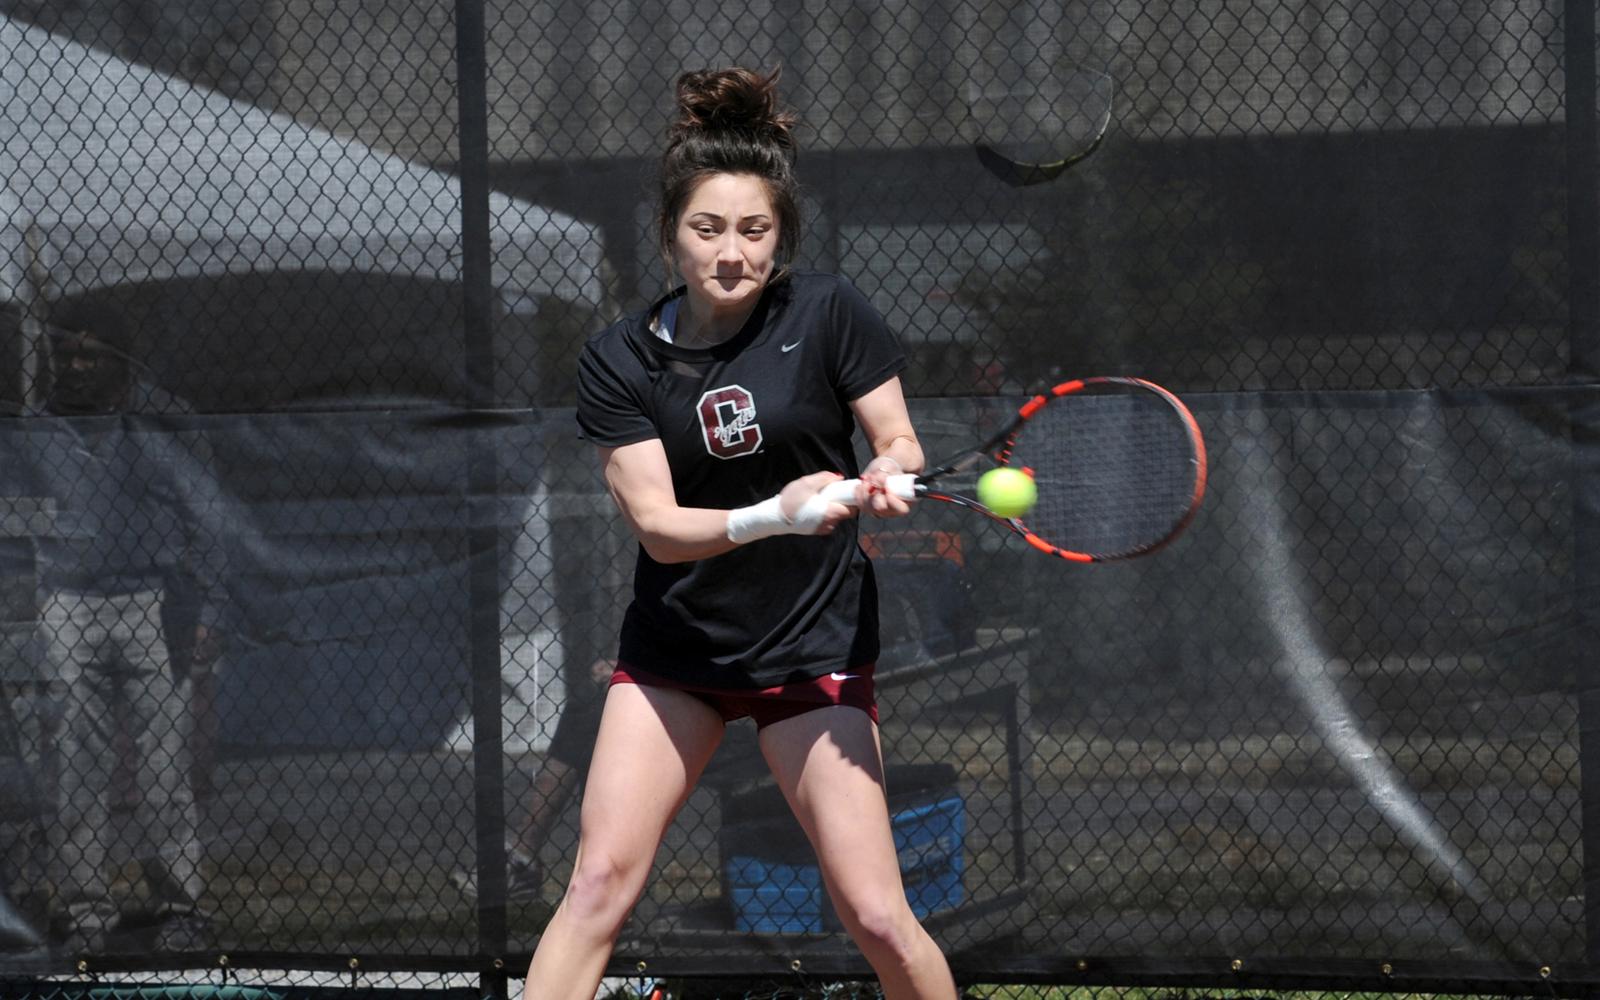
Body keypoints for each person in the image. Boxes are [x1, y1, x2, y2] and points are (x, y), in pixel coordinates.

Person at [521, 67, 958, 1000]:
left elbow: (897, 438)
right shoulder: (619, 360)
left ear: (781, 235)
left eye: (754, 231)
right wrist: (775, 515)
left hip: (813, 649)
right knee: (595, 888)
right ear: (670, 235)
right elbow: (658, 527)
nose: (731, 253)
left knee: (880, 916)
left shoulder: (828, 312)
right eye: (707, 229)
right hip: (679, 655)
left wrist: (890, 470)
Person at [27, 301, 227, 956]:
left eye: (91, 356)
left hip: (155, 603)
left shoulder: (162, 423)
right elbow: (15, 516)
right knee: (75, 762)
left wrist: (211, 608)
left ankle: (181, 905)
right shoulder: (38, 430)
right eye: (66, 355)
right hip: (67, 604)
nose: (76, 368)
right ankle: (85, 910)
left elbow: (208, 517)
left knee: (165, 763)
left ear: (121, 362)